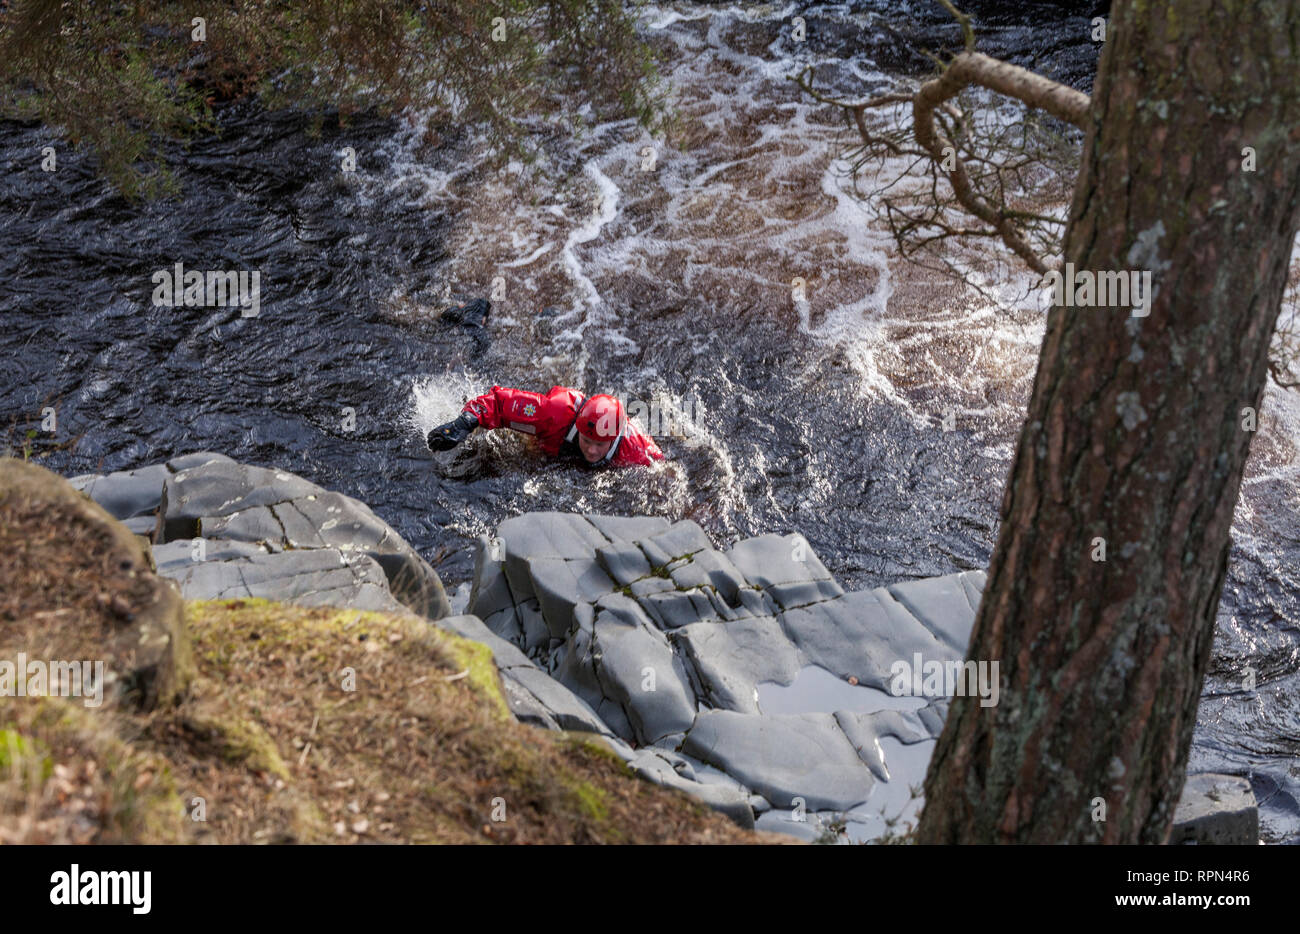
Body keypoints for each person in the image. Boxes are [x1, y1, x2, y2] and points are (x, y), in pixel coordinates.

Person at [426, 385, 664, 468]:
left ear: (613, 440)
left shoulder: (636, 450)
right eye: (587, 440)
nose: (591, 450)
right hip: (552, 432)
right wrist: (466, 421)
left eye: (599, 444)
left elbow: (665, 471)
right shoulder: (553, 413)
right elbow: (499, 403)